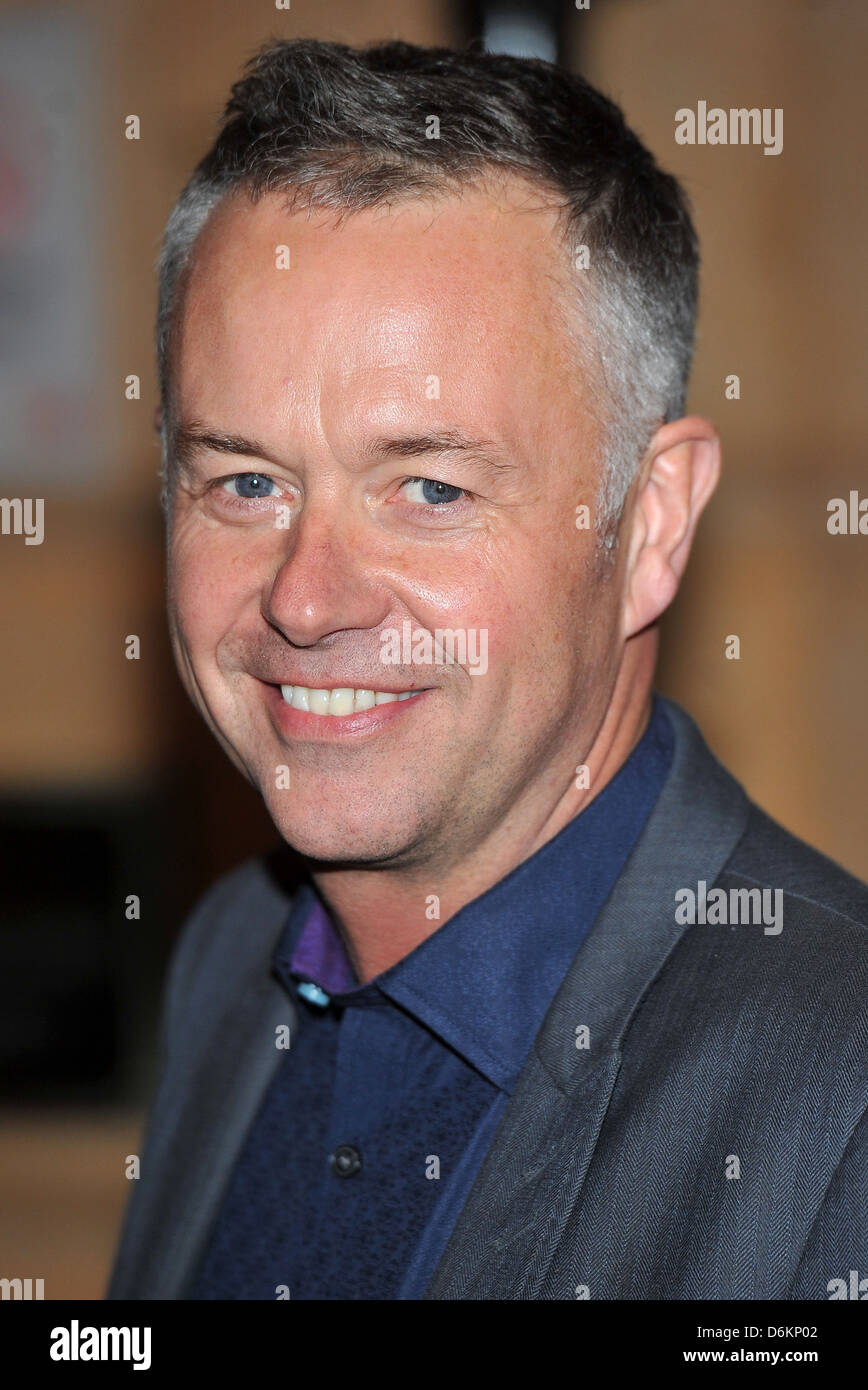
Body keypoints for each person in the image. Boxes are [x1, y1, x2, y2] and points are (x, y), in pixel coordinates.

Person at [107, 37, 868, 1301]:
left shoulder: (837, 1097)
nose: (305, 597)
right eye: (246, 479)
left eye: (429, 487)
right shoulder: (230, 962)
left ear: (652, 524)